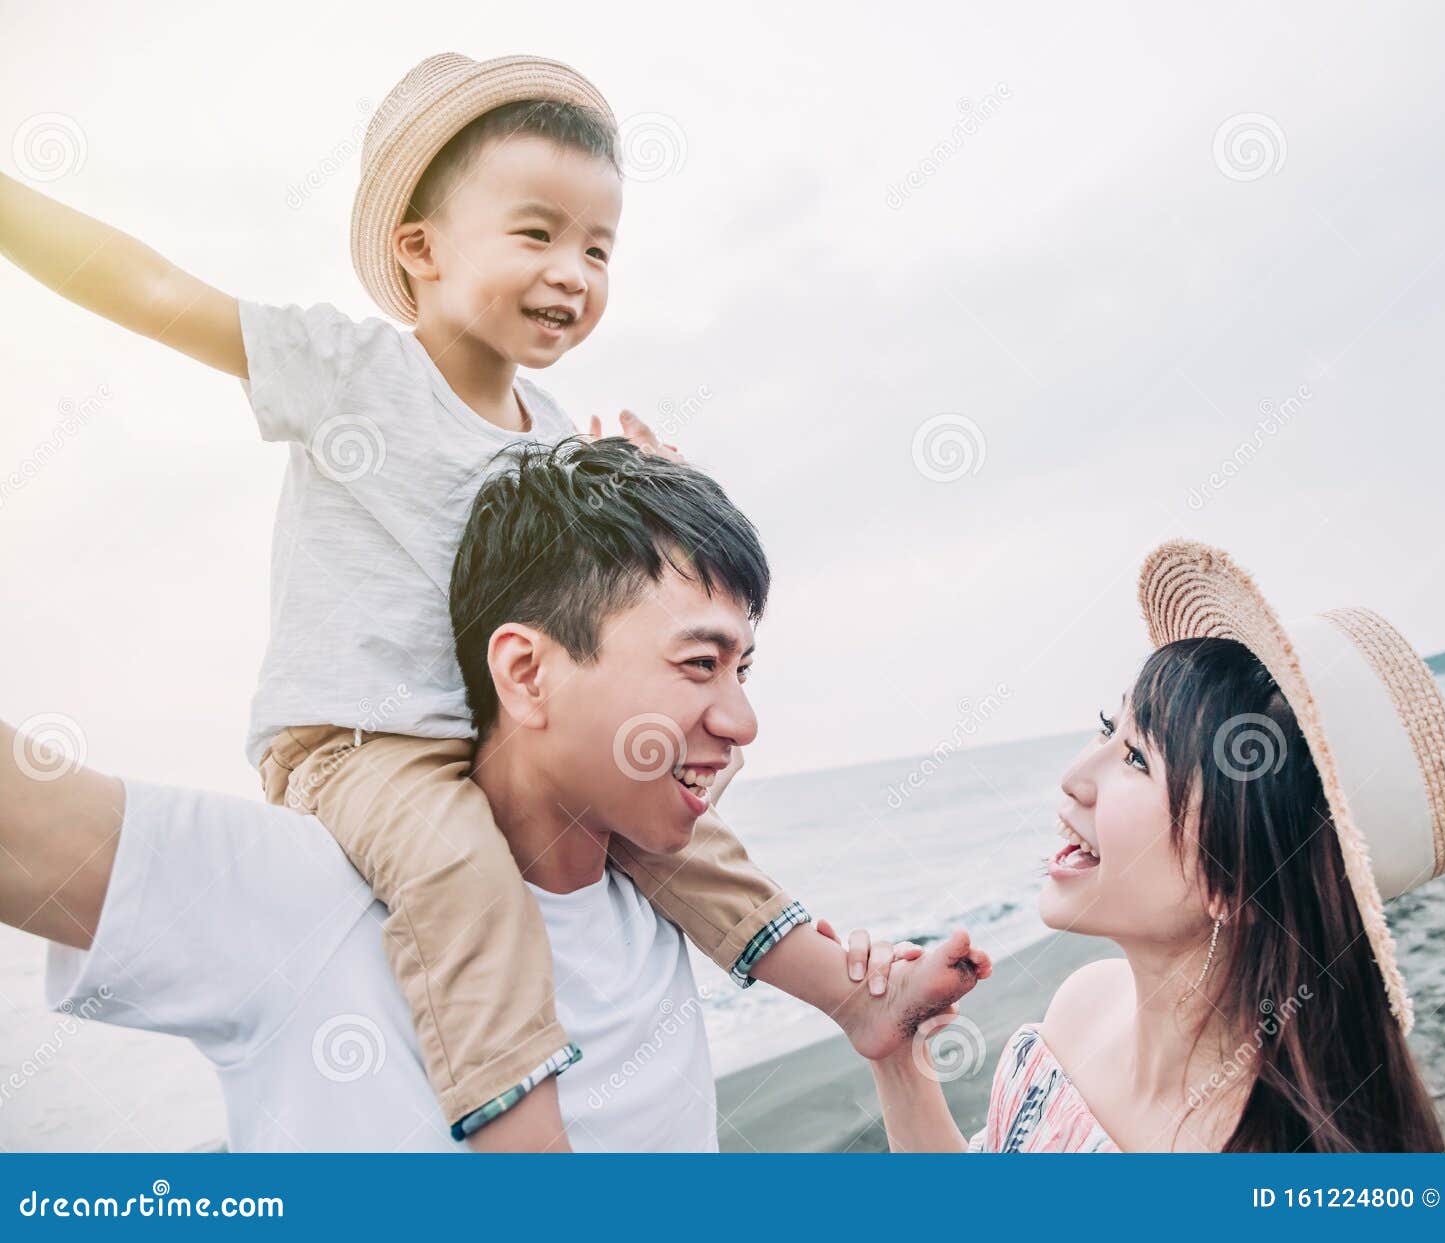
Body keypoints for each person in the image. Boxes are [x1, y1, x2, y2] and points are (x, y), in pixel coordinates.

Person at [0, 53, 852, 1147]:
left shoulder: (553, 433)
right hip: (365, 745)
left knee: (681, 835)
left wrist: (659, 489)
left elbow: (630, 593)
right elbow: (157, 291)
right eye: (536, 233)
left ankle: (845, 985)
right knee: (463, 877)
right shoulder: (353, 374)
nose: (574, 272)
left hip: (494, 750)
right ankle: (523, 1143)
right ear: (421, 248)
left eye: (599, 247)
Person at [0, 438, 990, 1152]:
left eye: (745, 670)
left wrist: (885, 1039)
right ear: (524, 672)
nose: (741, 720)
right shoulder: (306, 892)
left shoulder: (661, 893)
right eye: (699, 663)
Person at [864, 540, 1445, 1152]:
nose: (1075, 778)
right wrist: (896, 1051)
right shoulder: (1083, 1008)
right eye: (1109, 728)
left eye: (1135, 758)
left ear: (1236, 879)